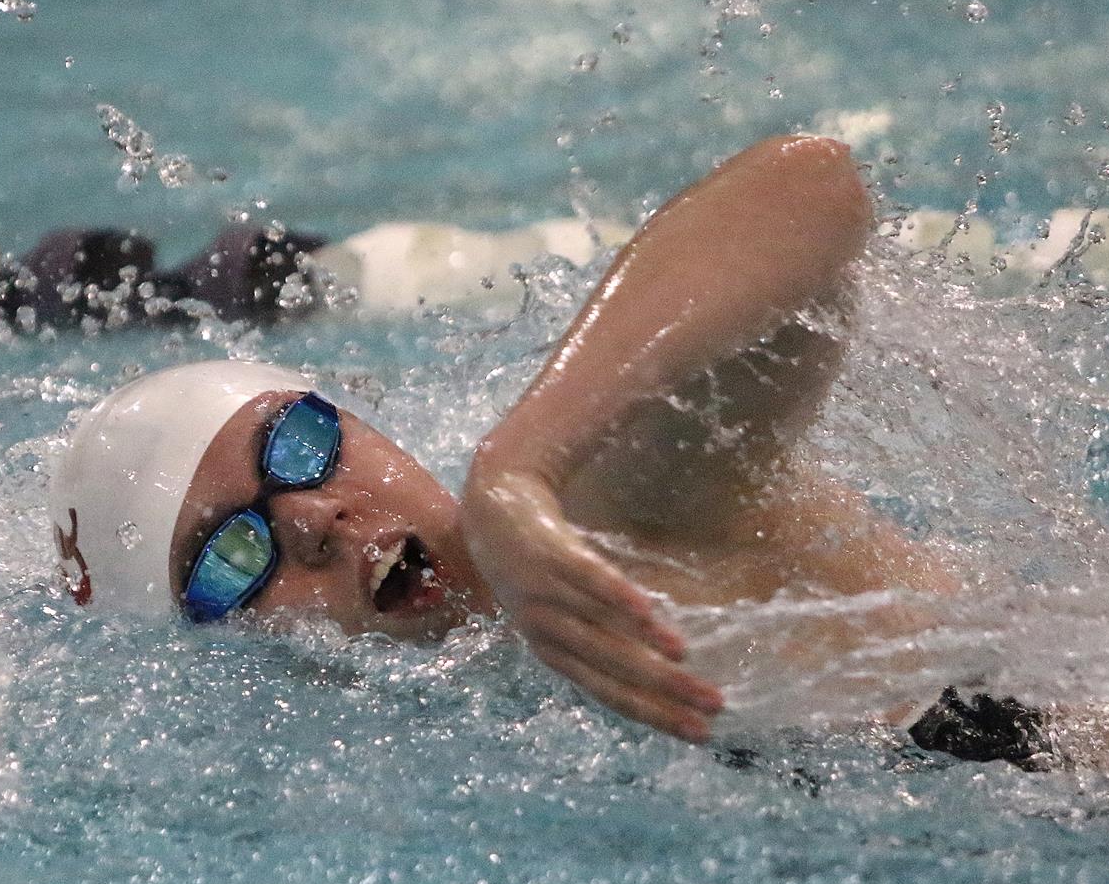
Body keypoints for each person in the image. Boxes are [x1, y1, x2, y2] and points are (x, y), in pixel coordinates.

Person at [51, 134, 956, 737]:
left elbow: (808, 183)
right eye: (230, 554)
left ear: (362, 422)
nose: (310, 519)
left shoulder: (609, 516)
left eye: (297, 444)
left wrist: (519, 467)